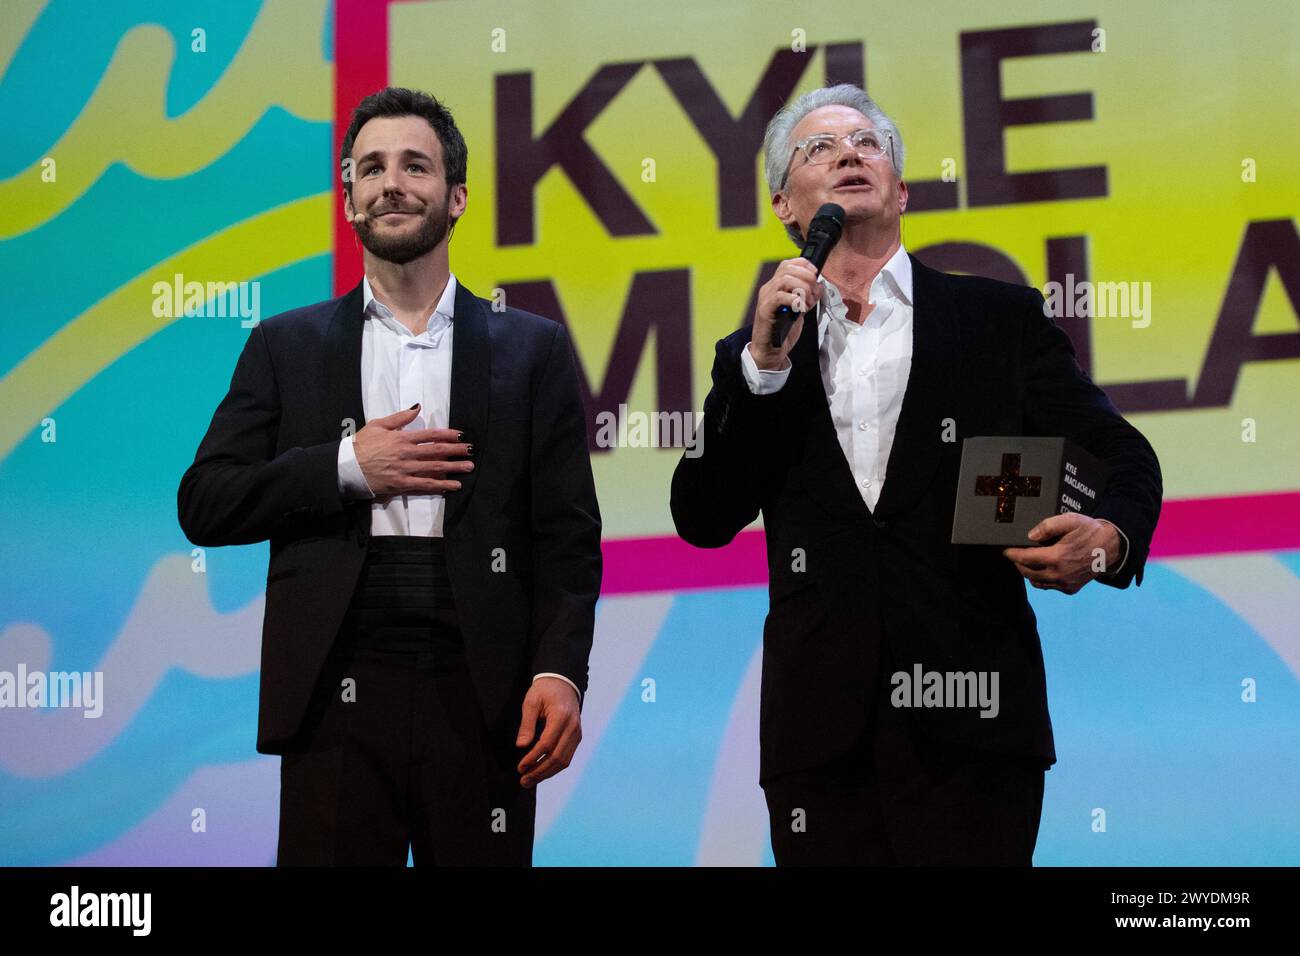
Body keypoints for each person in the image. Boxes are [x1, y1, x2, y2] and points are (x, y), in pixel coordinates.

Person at [670, 84, 1161, 865]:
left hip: (977, 727)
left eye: (868, 144)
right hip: (819, 736)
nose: (848, 155)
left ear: (900, 191)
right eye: (819, 148)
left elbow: (1121, 452)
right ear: (783, 206)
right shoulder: (758, 351)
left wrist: (1112, 540)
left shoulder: (997, 321)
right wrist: (761, 368)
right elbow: (701, 514)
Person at [178, 87, 601, 866]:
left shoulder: (531, 349)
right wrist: (347, 467)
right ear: (348, 200)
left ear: (458, 196)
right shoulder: (284, 346)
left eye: (415, 165)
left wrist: (560, 670)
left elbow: (569, 537)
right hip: (335, 682)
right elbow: (205, 503)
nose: (391, 183)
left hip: (486, 690)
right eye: (369, 168)